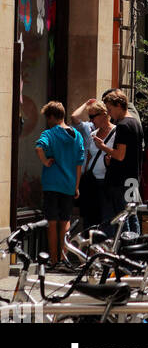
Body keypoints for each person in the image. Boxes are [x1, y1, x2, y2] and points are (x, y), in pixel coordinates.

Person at [34, 102, 86, 266]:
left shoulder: (49, 133)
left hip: (52, 184)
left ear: (51, 117)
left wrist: (45, 161)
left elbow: (39, 148)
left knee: (52, 222)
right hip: (68, 184)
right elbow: (79, 164)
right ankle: (64, 258)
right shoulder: (77, 136)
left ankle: (54, 259)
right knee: (65, 222)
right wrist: (76, 186)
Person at [94, 90, 143, 234]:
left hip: (121, 179)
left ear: (119, 106)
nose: (109, 113)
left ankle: (126, 248)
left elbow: (120, 155)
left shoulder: (122, 125)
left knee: (123, 217)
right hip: (133, 177)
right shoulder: (135, 122)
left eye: (109, 109)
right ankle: (135, 247)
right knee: (132, 215)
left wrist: (103, 147)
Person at [70, 99, 114, 230]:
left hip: (106, 183)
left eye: (93, 116)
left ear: (104, 114)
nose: (91, 120)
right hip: (91, 182)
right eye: (90, 117)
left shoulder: (116, 132)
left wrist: (104, 148)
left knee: (106, 219)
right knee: (89, 220)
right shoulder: (92, 133)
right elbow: (89, 156)